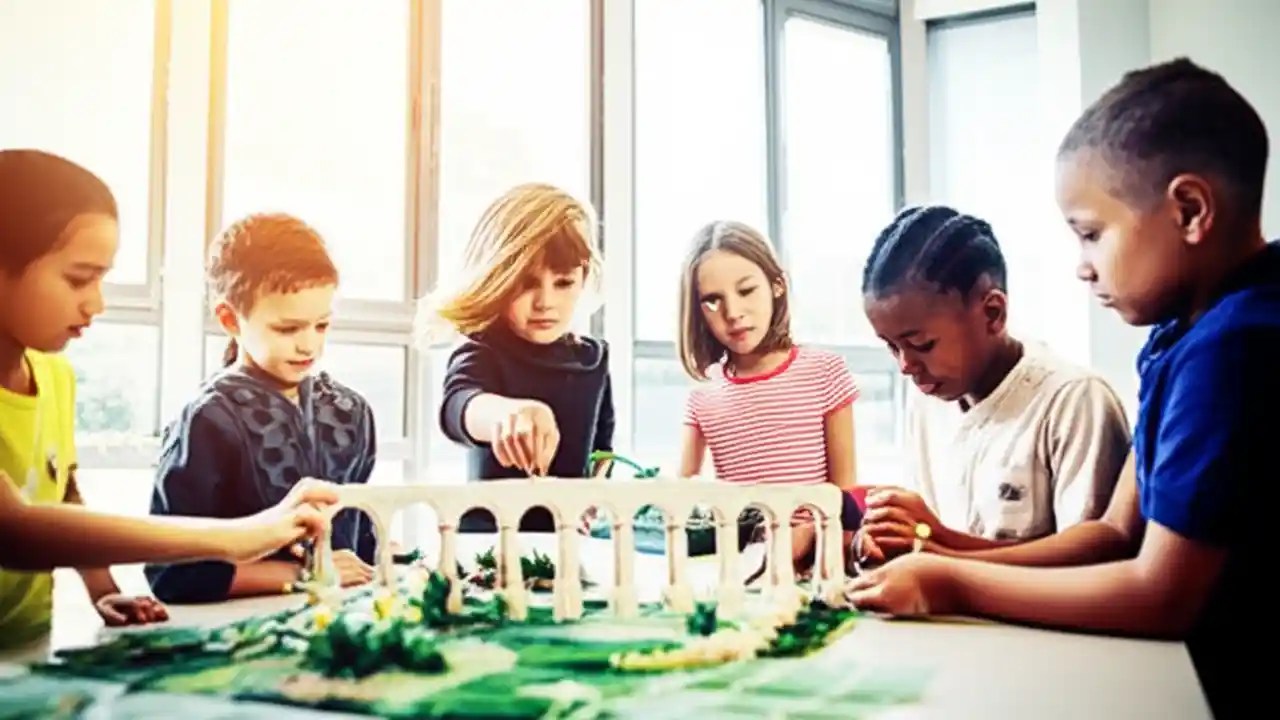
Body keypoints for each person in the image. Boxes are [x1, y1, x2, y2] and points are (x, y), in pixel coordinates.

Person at [845, 57, 1274, 718]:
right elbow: (1114, 530)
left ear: (1189, 210)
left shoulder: (1237, 345)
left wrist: (951, 581)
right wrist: (940, 549)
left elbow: (1161, 593)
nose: (1082, 267)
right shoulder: (1180, 337)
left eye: (1092, 235)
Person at [0, 148, 340, 647]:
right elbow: (16, 531)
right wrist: (245, 536)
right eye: (77, 279)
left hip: (22, 646)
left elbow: (62, 494)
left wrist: (103, 590)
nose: (96, 302)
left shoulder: (55, 374)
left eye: (101, 278)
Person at [857, 205, 1130, 560]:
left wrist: (937, 543)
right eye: (892, 347)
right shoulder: (927, 402)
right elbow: (923, 542)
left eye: (922, 345)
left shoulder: (1074, 401)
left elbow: (1092, 566)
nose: (906, 366)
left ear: (992, 313)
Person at [146, 213, 379, 603]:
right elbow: (171, 575)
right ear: (229, 319)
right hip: (236, 632)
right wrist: (304, 573)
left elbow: (359, 544)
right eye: (288, 329)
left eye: (321, 326)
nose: (308, 345)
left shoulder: (352, 412)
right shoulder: (208, 420)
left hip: (343, 626)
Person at [677, 220, 861, 574]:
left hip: (818, 566)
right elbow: (680, 503)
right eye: (712, 301)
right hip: (742, 572)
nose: (733, 313)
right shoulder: (703, 396)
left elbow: (846, 499)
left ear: (777, 286)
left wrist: (812, 543)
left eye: (746, 291)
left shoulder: (825, 371)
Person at [431, 182, 613, 533]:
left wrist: (595, 494)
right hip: (490, 546)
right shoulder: (483, 349)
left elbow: (602, 448)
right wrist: (504, 414)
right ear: (497, 280)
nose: (545, 301)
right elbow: (459, 407)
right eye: (526, 283)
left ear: (583, 278)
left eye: (563, 283)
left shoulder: (594, 359)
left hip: (567, 545)